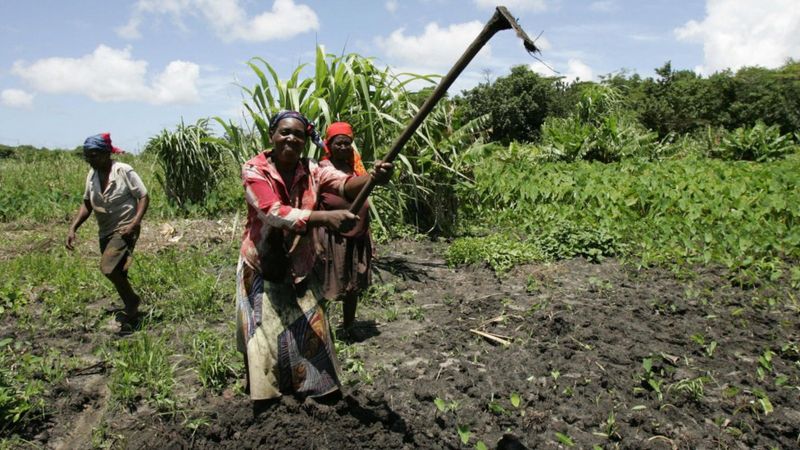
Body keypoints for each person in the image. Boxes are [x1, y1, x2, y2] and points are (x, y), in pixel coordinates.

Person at [236, 111, 392, 403]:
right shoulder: (255, 169)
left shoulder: (313, 169)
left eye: (299, 134)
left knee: (310, 331)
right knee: (263, 336)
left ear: (306, 141)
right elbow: (272, 211)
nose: (292, 139)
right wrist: (323, 218)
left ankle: (314, 391)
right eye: (285, 132)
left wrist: (372, 178)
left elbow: (344, 184)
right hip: (262, 262)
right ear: (272, 135)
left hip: (300, 263)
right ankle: (266, 396)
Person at [66, 133, 149, 327]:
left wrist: (135, 223)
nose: (90, 159)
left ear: (106, 153)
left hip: (125, 228)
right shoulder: (92, 175)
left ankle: (132, 301)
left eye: (94, 154)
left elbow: (144, 197)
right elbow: (87, 204)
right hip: (105, 231)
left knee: (108, 268)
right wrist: (73, 227)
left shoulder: (123, 171)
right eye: (87, 155)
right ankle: (132, 313)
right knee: (118, 271)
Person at [314, 122, 374, 333]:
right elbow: (312, 205)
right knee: (325, 283)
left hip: (357, 234)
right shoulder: (321, 169)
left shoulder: (356, 169)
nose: (343, 148)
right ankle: (322, 331)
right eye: (338, 144)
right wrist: (315, 241)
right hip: (333, 236)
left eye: (347, 143)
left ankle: (348, 325)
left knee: (353, 285)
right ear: (329, 145)